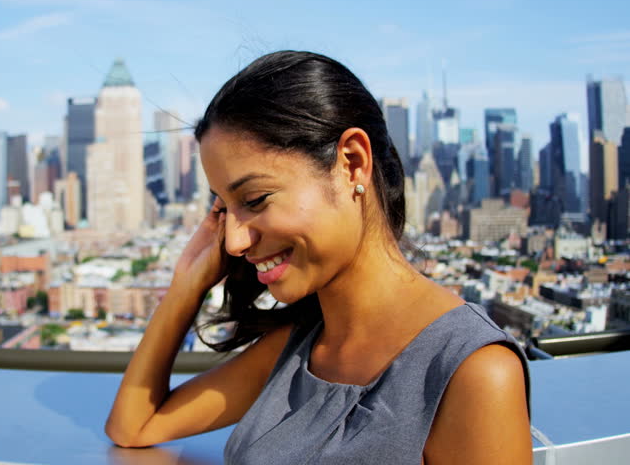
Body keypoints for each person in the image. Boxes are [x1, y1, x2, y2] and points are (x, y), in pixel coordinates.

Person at [105, 50, 531, 464]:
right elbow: (135, 426)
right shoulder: (301, 345)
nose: (233, 241)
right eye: (222, 208)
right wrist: (187, 284)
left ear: (351, 163)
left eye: (254, 199)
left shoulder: (472, 371)